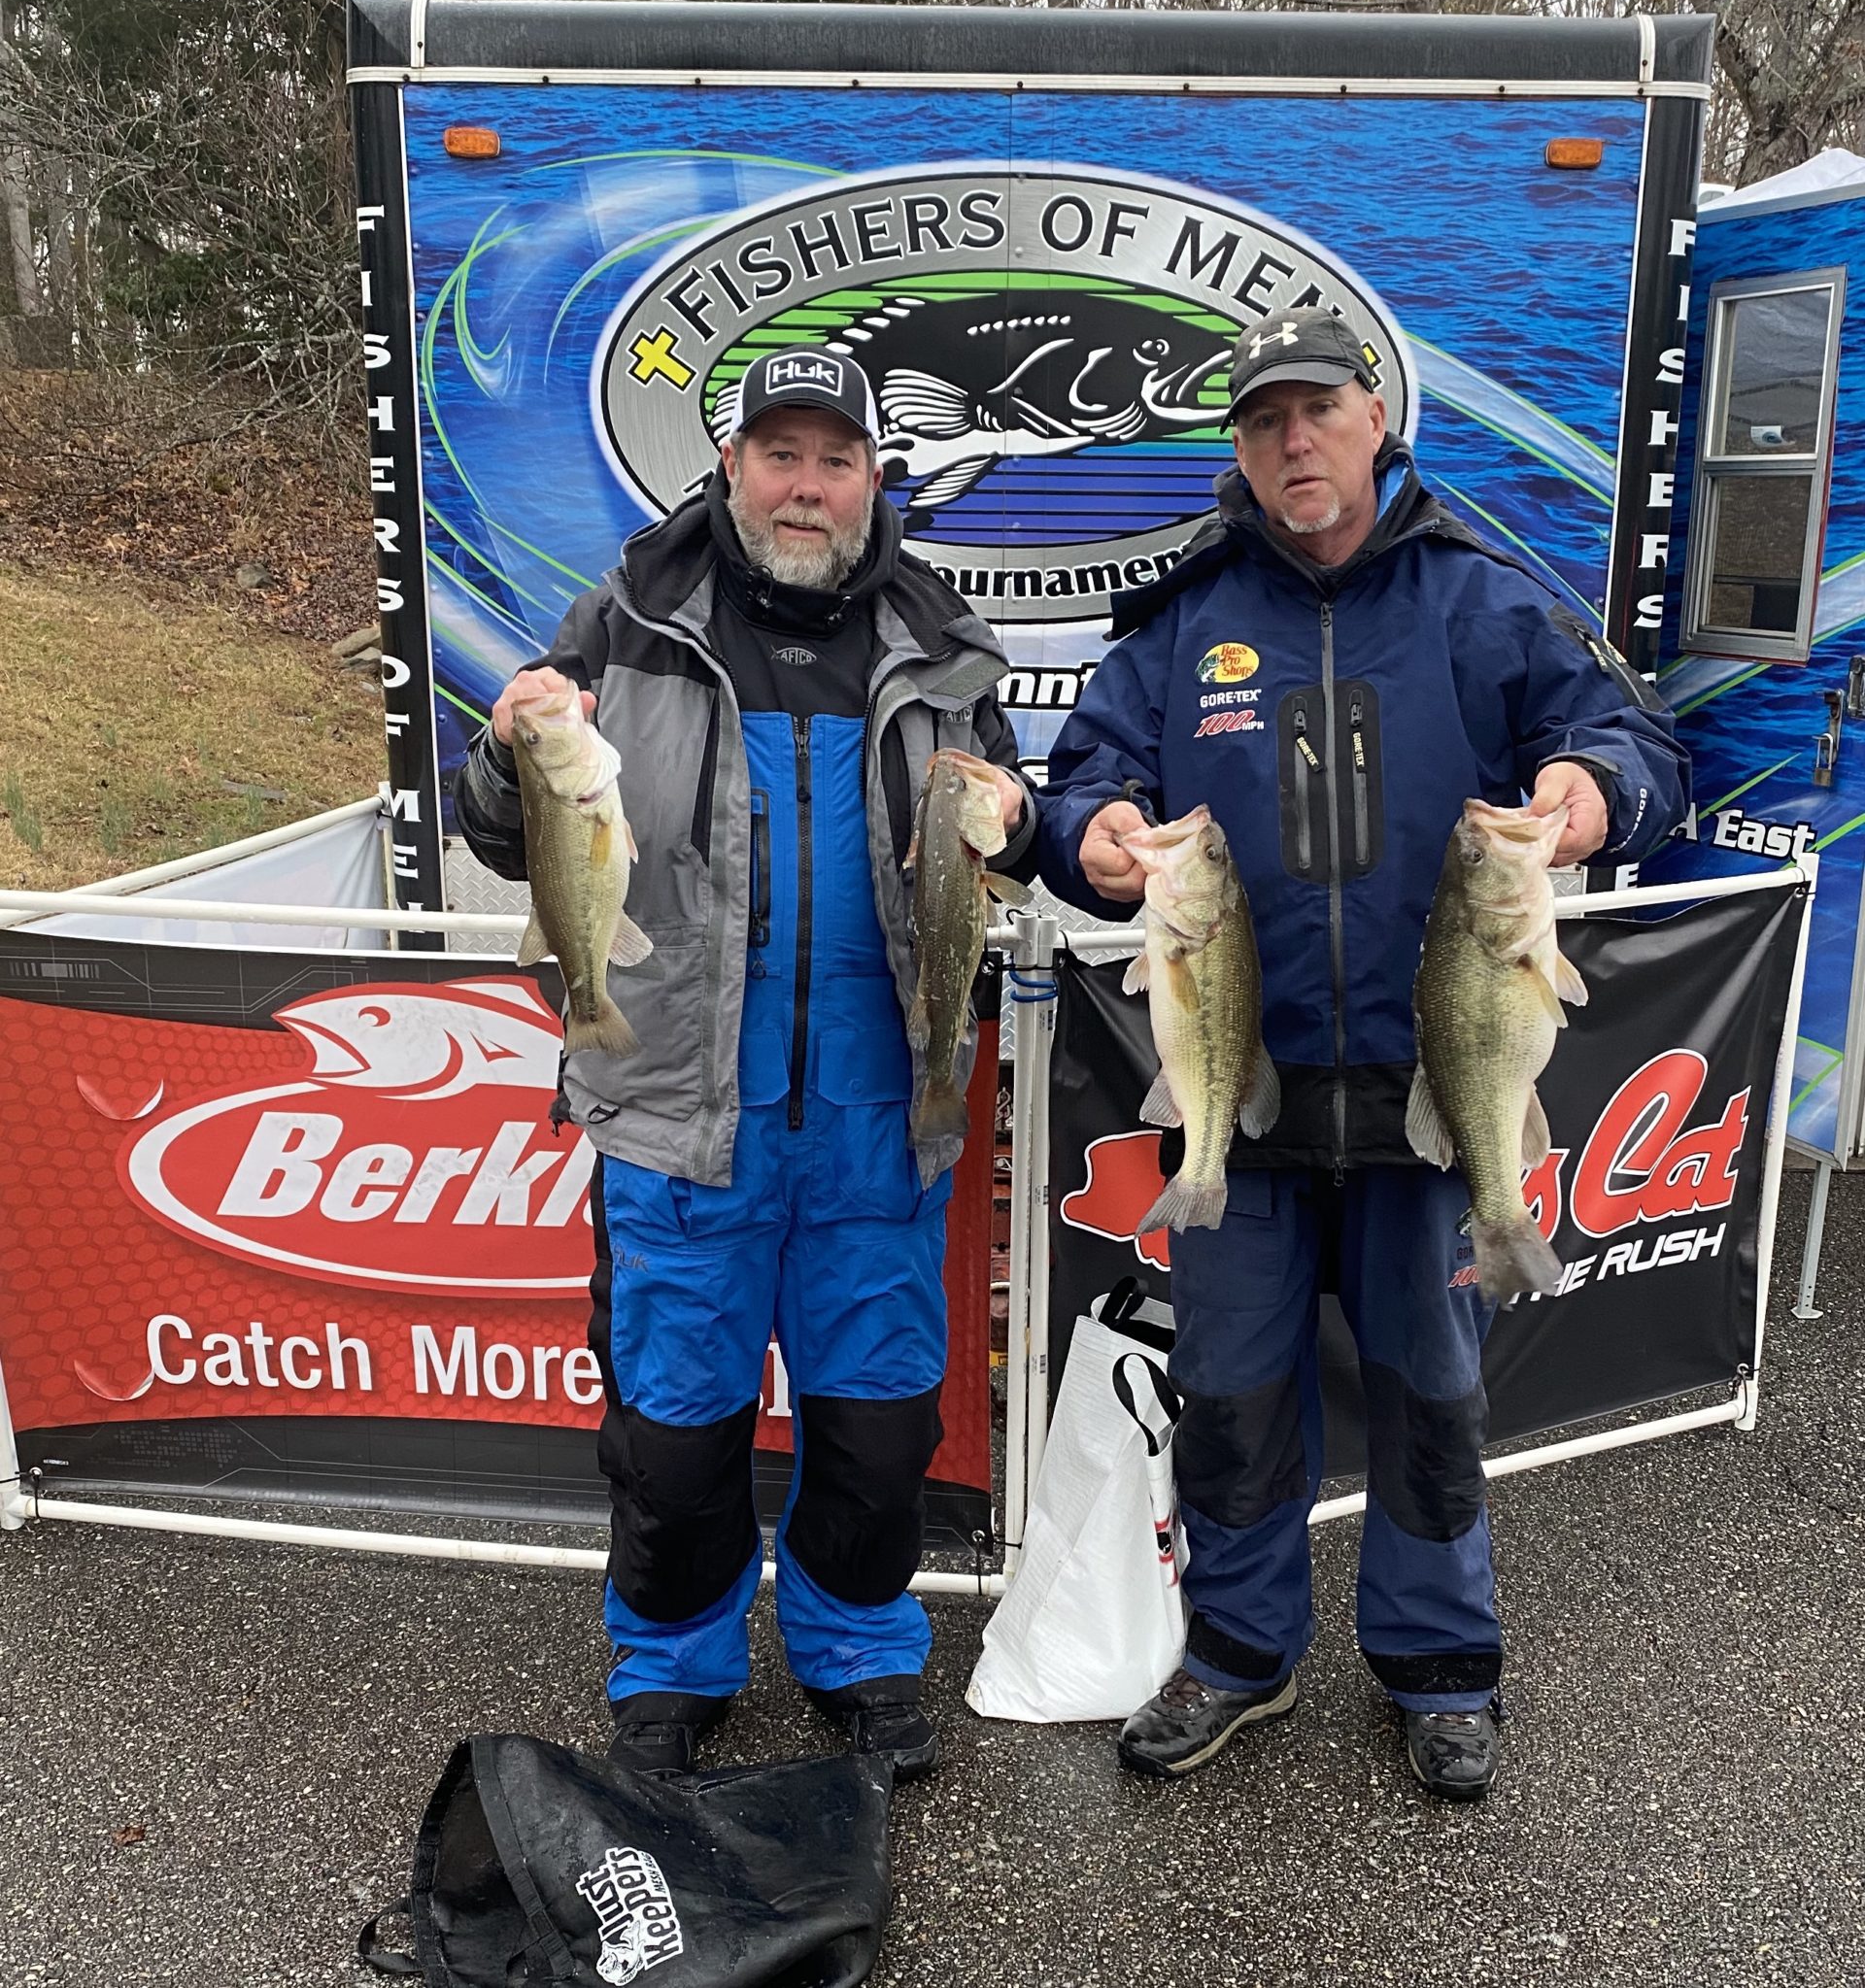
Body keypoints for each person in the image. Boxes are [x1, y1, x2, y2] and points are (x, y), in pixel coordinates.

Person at [1036, 306, 1689, 1801]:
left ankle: (1441, 1665)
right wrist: (1098, 835)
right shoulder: (1187, 621)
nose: (1291, 442)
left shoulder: (1486, 599)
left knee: (1430, 1398)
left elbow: (1642, 744)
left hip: (1430, 1102)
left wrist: (1591, 793)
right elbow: (1081, 787)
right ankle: (1238, 1654)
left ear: (1376, 416)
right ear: (1242, 450)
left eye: (1316, 410)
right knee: (1235, 1396)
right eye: (1262, 421)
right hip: (1246, 1102)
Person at [457, 346, 1036, 1781]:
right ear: (727, 466)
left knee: (878, 1419)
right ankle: (674, 1665)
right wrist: (503, 744)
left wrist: (1023, 818)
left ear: (872, 477)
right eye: (779, 454)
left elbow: (1014, 833)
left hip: (876, 1118)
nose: (805, 484)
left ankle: (860, 1649)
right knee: (675, 1430)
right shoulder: (628, 621)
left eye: (832, 458)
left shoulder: (941, 642)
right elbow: (497, 820)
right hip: (674, 1112)